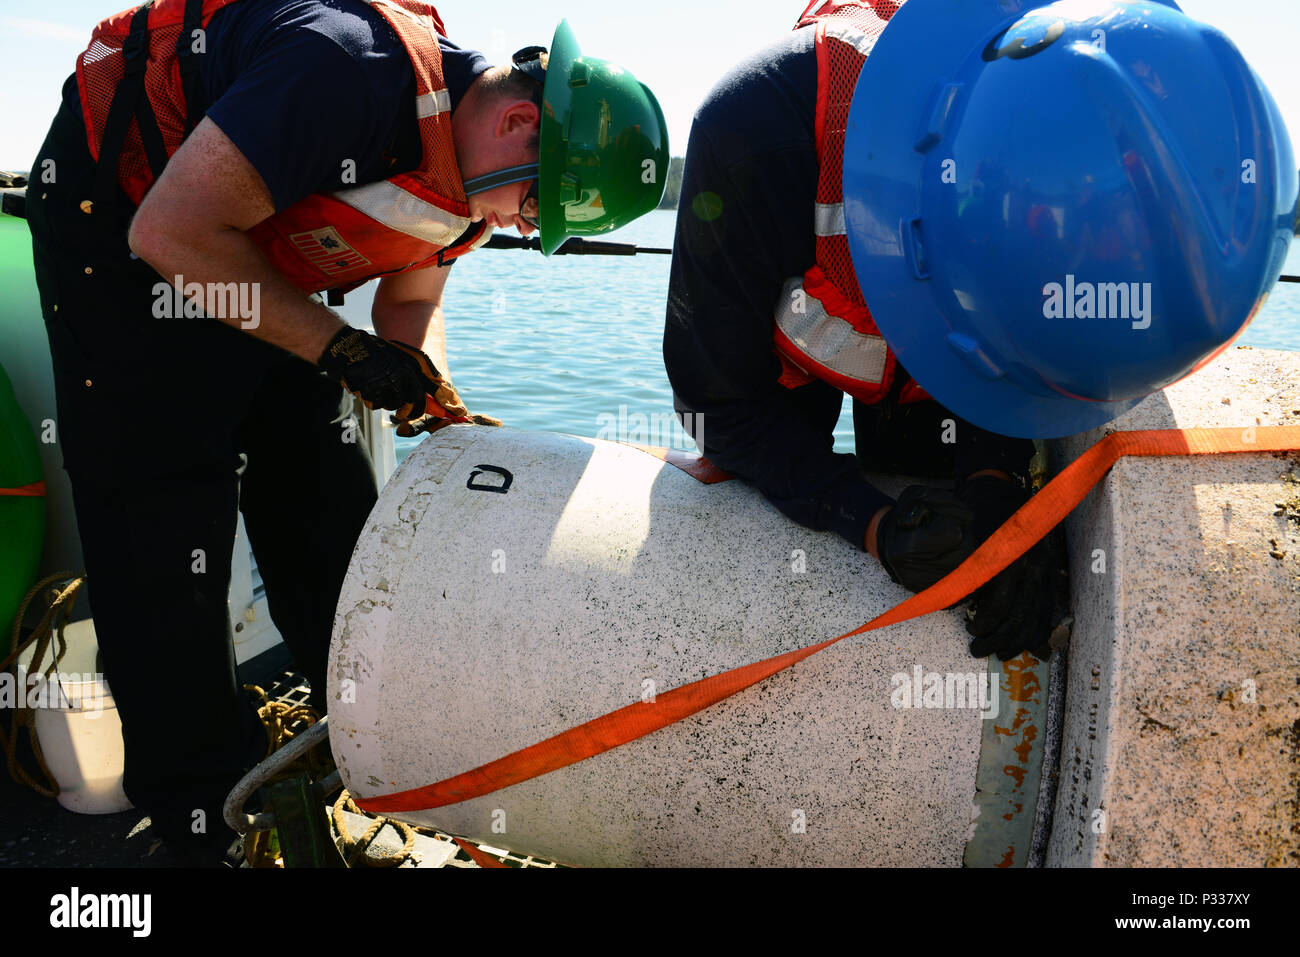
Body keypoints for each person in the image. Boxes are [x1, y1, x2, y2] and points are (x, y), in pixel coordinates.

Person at [26, 0, 667, 865]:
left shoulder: (477, 171)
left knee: (325, 497)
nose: (520, 225)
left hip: (248, 241)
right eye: (531, 207)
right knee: (163, 530)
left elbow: (407, 299)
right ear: (520, 123)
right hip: (131, 213)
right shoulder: (342, 72)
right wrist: (339, 348)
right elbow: (170, 232)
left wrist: (408, 376)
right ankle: (201, 817)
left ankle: (355, 747)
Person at [664, 0, 1294, 659]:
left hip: (929, 356)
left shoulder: (1091, 266)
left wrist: (999, 493)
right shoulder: (756, 131)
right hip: (789, 340)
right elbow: (719, 405)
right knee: (777, 468)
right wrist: (869, 521)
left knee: (929, 475)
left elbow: (1021, 363)